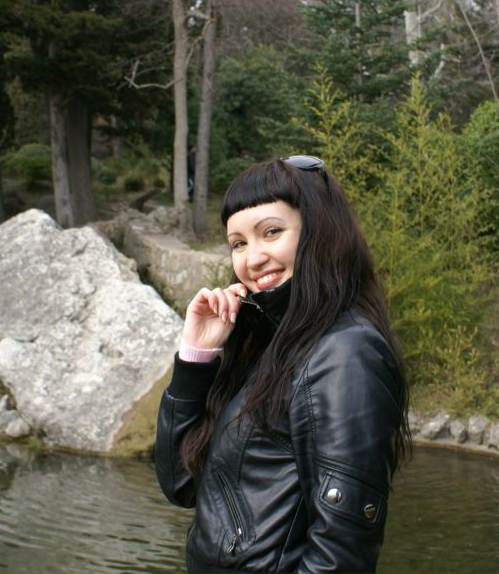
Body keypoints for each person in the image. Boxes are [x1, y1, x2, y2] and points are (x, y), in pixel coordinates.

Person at [155, 156, 412, 573]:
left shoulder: (345, 353)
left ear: (320, 232)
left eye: (271, 232)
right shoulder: (267, 343)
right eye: (238, 243)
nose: (252, 258)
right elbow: (181, 484)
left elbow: (340, 556)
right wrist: (196, 358)